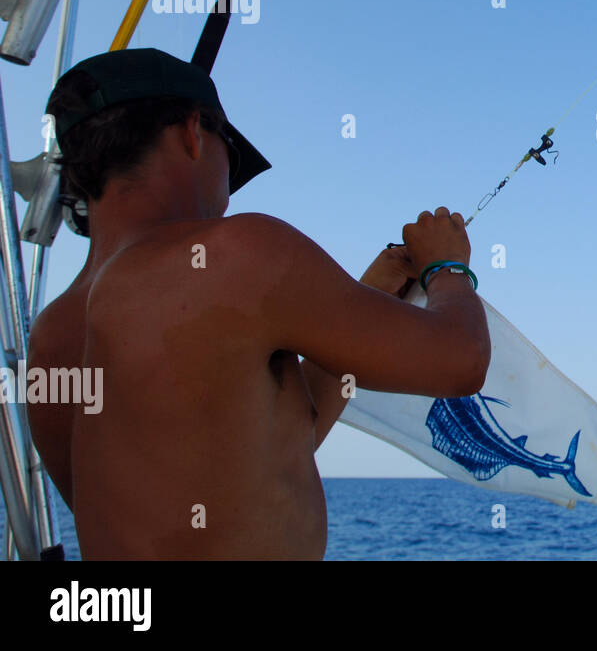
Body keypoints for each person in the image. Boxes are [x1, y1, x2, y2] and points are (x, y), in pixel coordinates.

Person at [27, 47, 490, 559]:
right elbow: (460, 360)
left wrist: (375, 292)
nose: (230, 189)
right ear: (190, 133)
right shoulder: (236, 253)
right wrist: (448, 267)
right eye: (230, 148)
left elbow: (257, 454)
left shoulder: (51, 334)